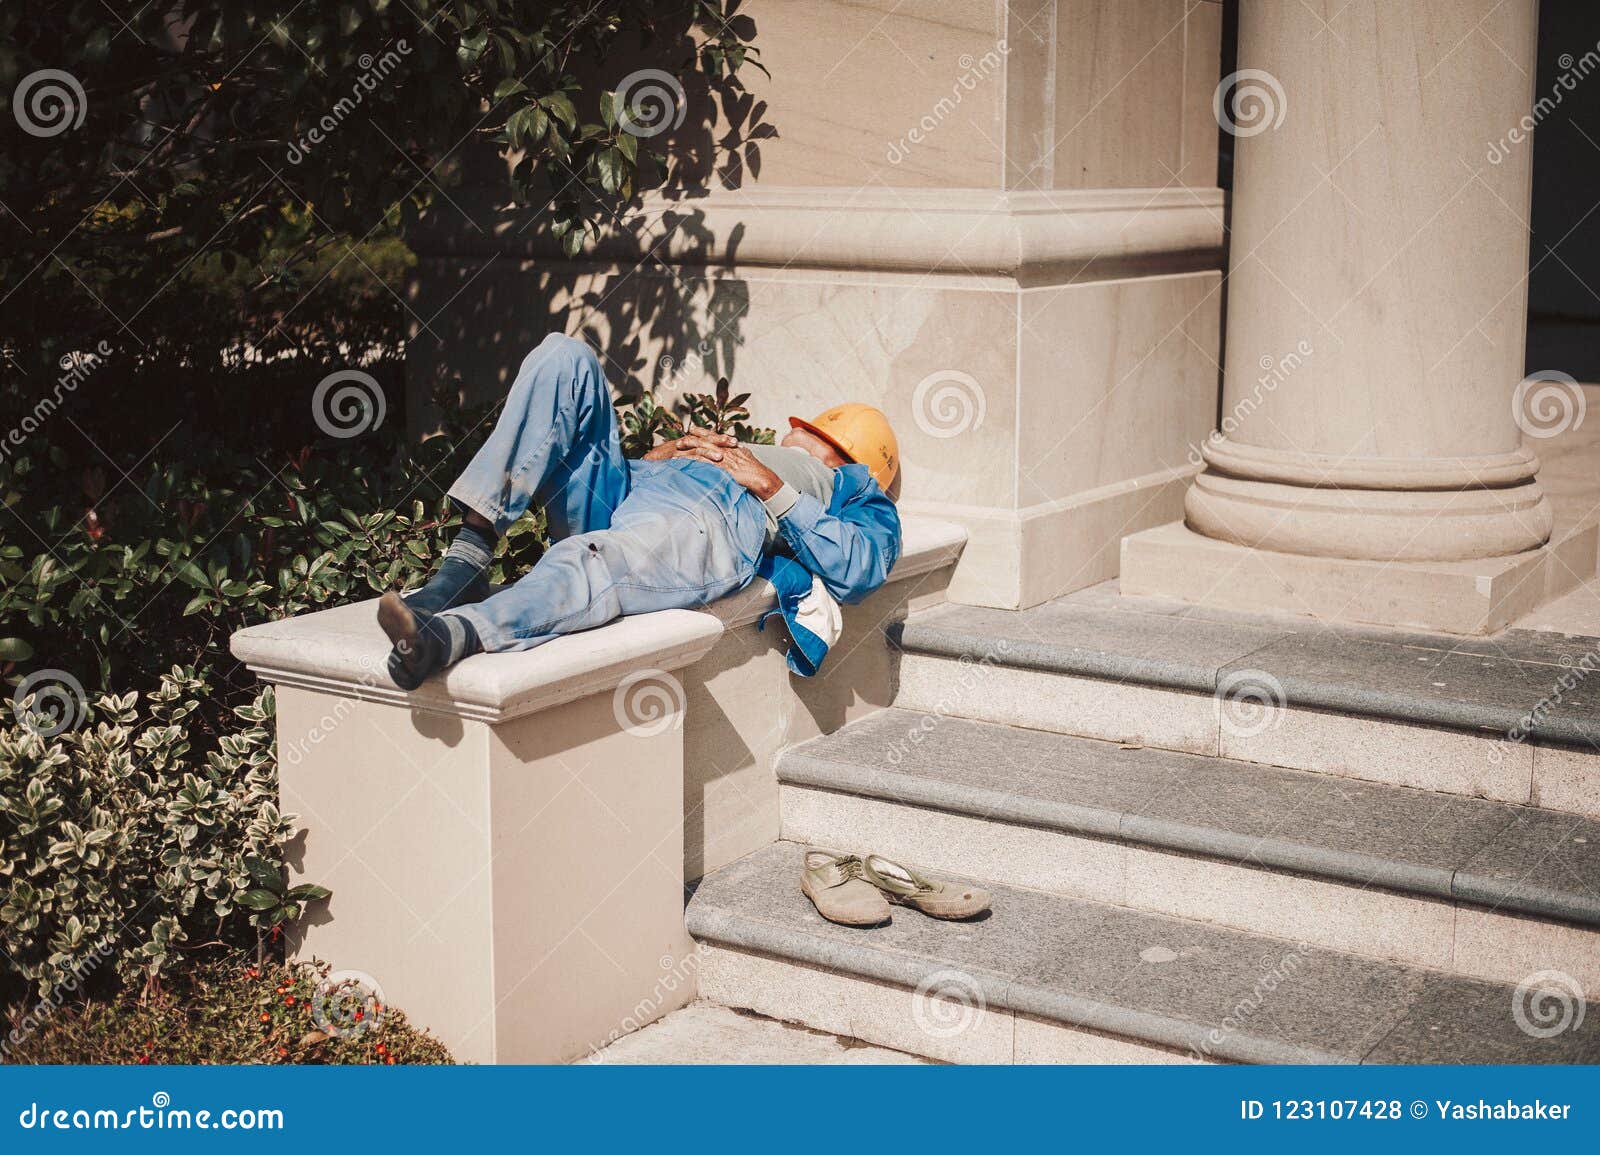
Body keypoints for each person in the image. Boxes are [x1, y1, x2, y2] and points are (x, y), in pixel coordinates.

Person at [378, 332, 902, 688]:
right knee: (564, 356)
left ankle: (449, 636)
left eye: (814, 432)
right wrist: (661, 455)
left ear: (839, 452)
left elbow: (860, 569)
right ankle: (465, 562)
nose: (800, 432)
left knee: (598, 557)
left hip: (717, 512)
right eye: (804, 428)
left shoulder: (853, 487)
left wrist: (765, 484)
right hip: (637, 486)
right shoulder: (754, 447)